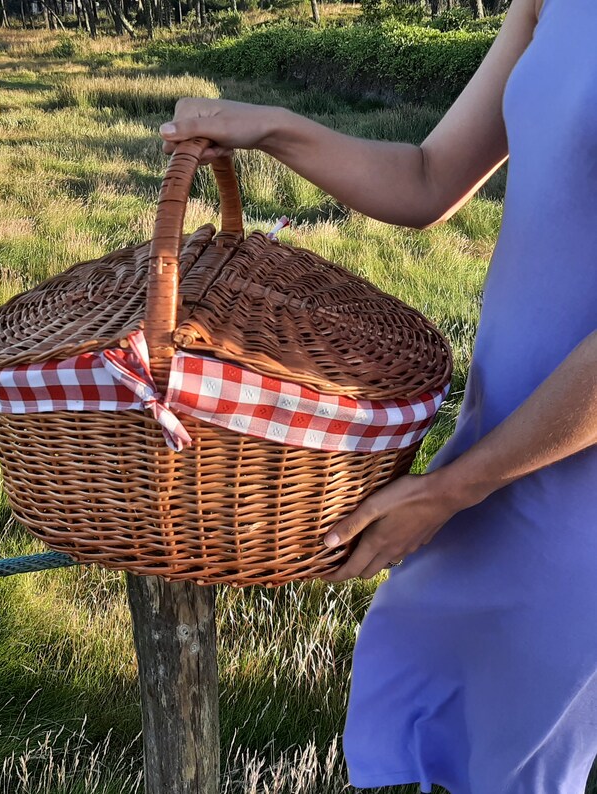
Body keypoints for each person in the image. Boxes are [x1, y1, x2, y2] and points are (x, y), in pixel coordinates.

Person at [158, 0, 597, 790]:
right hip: (495, 446)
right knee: (421, 703)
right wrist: (271, 127)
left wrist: (455, 490)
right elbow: (429, 179)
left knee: (515, 758)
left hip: (571, 490)